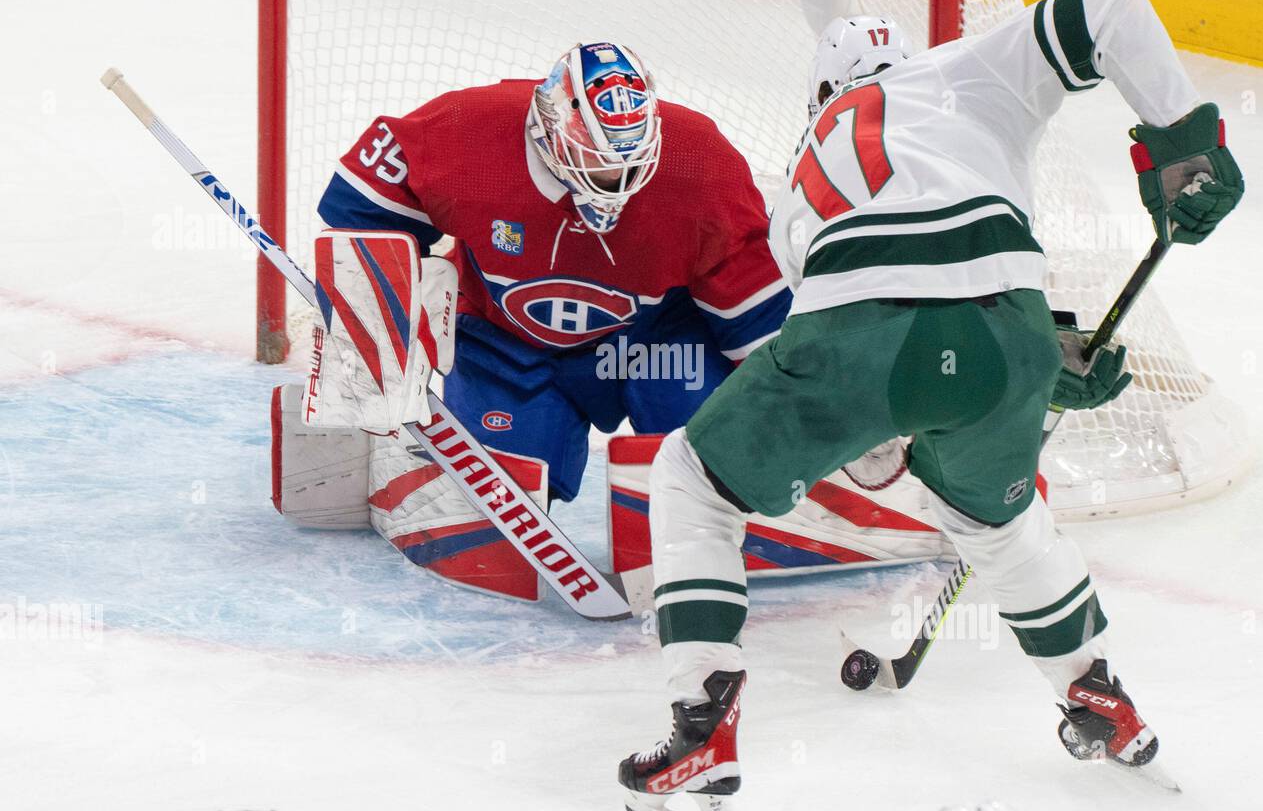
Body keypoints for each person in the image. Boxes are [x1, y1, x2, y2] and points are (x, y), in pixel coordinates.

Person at [619, 0, 1244, 811]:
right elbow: (1112, 3)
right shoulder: (961, 70)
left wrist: (898, 406)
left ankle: (702, 734)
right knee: (995, 520)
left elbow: (881, 358)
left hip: (859, 339)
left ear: (821, 95)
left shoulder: (801, 173)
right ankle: (1095, 692)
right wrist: (1183, 144)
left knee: (694, 478)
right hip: (1010, 340)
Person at [272, 42, 942, 601]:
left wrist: (829, 411)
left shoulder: (698, 163)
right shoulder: (467, 130)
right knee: (492, 520)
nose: (614, 184)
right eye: (596, 160)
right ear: (548, 129)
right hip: (508, 344)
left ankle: (804, 499)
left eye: (628, 163)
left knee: (714, 467)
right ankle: (378, 448)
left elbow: (758, 320)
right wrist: (380, 316)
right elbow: (358, 206)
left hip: (656, 346)